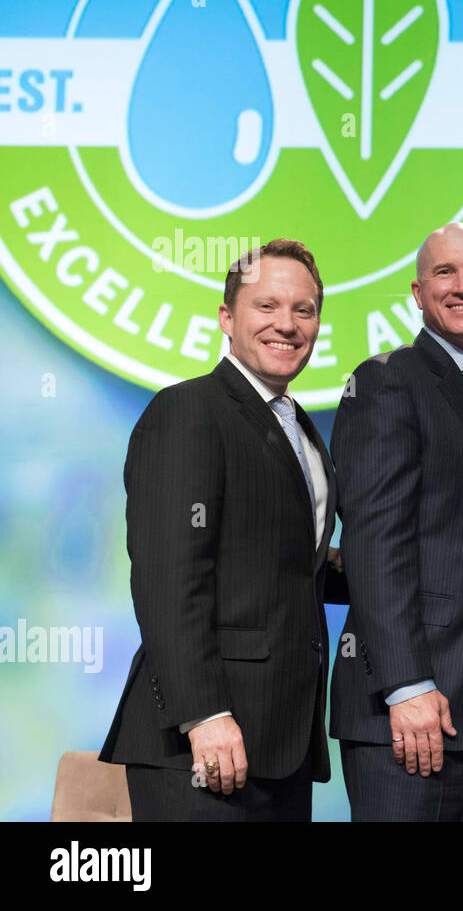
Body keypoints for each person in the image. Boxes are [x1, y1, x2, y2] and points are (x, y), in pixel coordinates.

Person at [100, 238, 341, 820]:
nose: (286, 324)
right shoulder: (188, 412)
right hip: (203, 744)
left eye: (303, 310)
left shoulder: (296, 426)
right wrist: (203, 716)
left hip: (279, 744)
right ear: (227, 319)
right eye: (267, 306)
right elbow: (168, 577)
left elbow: (288, 565)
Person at [329, 221, 463, 821]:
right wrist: (406, 685)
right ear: (418, 294)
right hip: (415, 707)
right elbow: (371, 543)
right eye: (445, 272)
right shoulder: (386, 381)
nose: (462, 285)